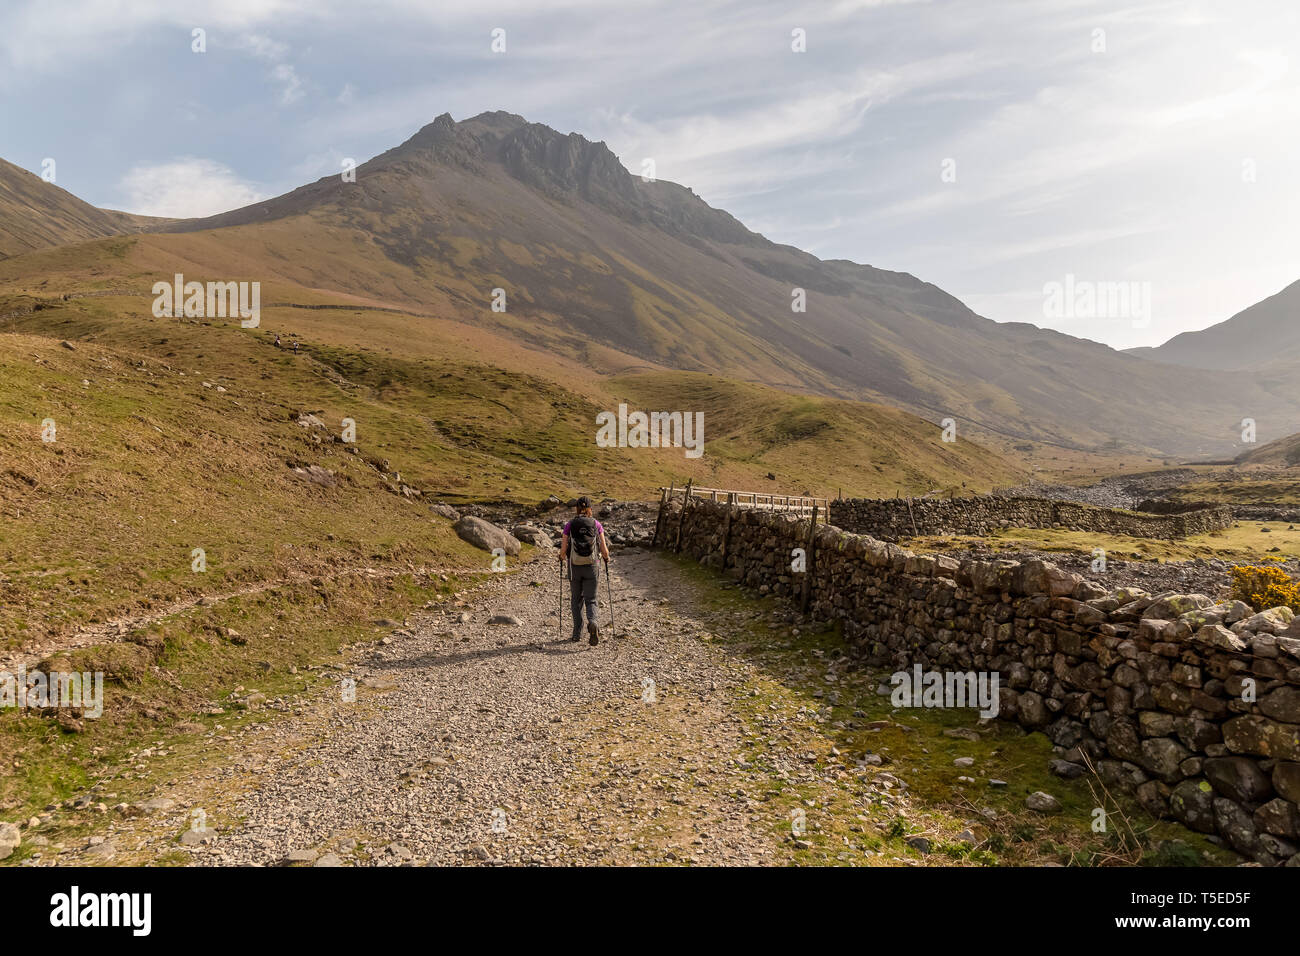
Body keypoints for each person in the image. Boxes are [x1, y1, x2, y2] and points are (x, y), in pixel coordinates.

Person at [559, 496, 610, 645]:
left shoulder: (569, 525)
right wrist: (606, 558)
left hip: (574, 567)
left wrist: (561, 557)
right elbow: (604, 550)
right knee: (591, 598)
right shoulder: (596, 524)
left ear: (577, 509)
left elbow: (563, 550)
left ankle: (576, 633)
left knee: (576, 599)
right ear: (589, 509)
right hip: (592, 566)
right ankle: (593, 622)